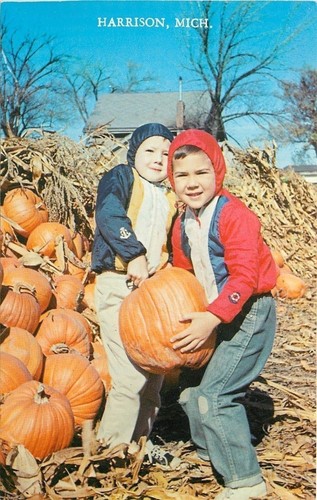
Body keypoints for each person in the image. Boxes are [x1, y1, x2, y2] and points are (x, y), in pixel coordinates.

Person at [167, 129, 277, 499]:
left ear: (217, 170)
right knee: (190, 394)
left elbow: (245, 276)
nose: (192, 183)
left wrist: (212, 318)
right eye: (182, 175)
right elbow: (182, 274)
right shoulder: (183, 222)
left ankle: (246, 481)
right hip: (214, 313)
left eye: (201, 173)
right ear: (172, 180)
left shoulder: (235, 216)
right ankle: (213, 453)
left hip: (249, 312)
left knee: (214, 396)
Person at [91, 123, 180, 467]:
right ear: (134, 153)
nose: (158, 159)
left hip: (151, 293)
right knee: (130, 376)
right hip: (119, 285)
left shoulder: (169, 196)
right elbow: (109, 214)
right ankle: (108, 453)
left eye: (166, 153)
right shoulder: (122, 177)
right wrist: (134, 252)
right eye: (150, 151)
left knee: (153, 374)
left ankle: (139, 444)